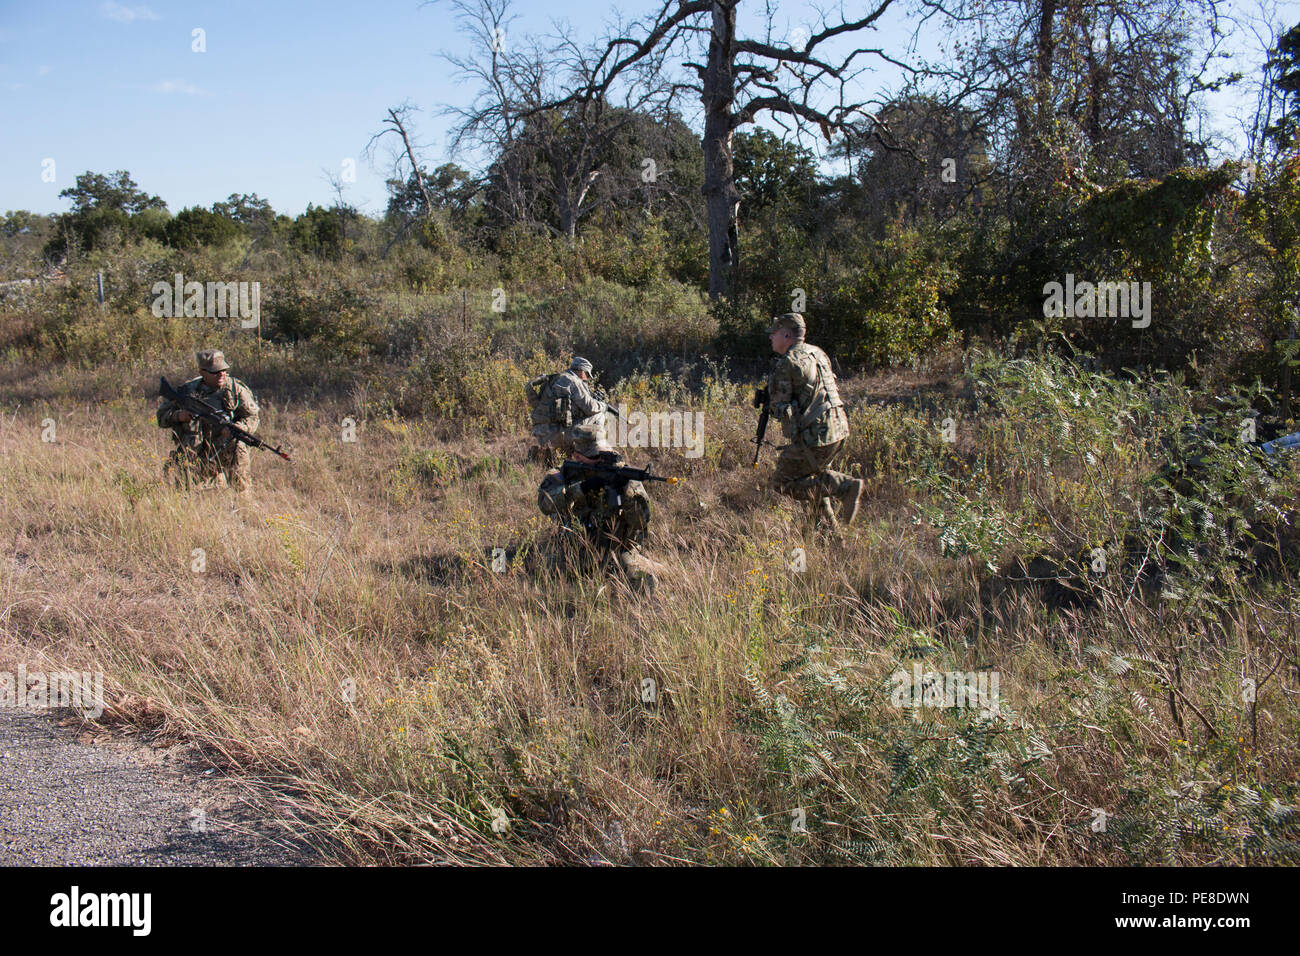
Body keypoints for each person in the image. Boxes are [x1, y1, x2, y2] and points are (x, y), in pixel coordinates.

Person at [762, 313, 863, 527]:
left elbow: (782, 408)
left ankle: (844, 486)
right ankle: (831, 535)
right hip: (838, 430)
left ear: (786, 334)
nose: (771, 337)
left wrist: (770, 403)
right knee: (813, 479)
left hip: (815, 436)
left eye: (774, 333)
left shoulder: (787, 363)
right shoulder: (817, 353)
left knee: (782, 483)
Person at [157, 349, 260, 496]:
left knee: (239, 446)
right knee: (183, 492)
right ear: (202, 372)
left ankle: (243, 501)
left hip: (225, 448)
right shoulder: (187, 391)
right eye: (215, 372)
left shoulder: (234, 389)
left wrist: (239, 427)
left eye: (223, 370)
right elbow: (161, 417)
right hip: (194, 450)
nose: (221, 374)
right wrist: (179, 416)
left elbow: (253, 417)